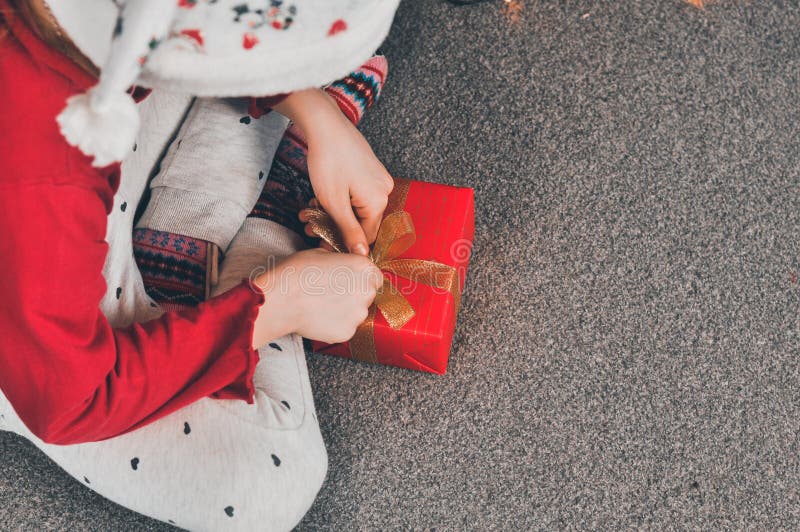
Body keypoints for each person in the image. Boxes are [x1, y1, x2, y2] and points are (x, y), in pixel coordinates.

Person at [0, 0, 399, 529]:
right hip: (39, 356)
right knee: (266, 485)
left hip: (61, 175)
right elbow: (71, 403)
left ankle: (183, 249)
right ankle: (264, 218)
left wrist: (310, 110)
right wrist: (280, 303)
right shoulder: (40, 167)